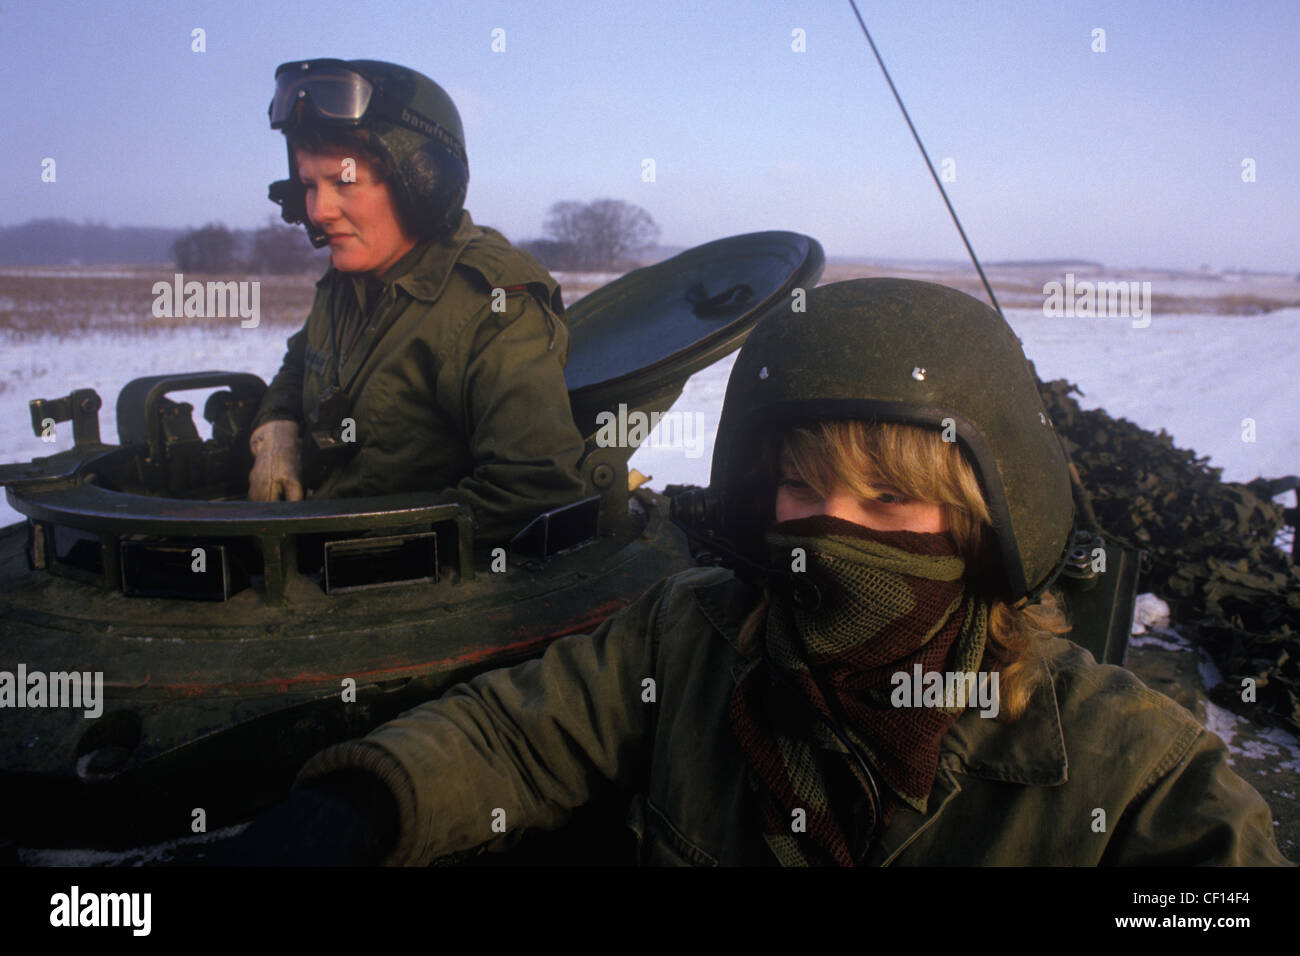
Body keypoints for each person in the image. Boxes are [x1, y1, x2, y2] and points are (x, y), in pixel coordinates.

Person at [227, 278, 1291, 866]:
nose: (831, 530)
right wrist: (360, 806)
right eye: (800, 487)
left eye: (886, 500)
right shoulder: (688, 640)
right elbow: (517, 732)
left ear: (983, 524)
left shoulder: (1132, 775)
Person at [247, 58, 587, 546]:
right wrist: (276, 427)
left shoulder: (493, 301)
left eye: (343, 182)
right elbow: (301, 366)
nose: (319, 211)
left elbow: (532, 493)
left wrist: (361, 555)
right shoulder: (349, 278)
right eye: (307, 185)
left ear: (421, 181)